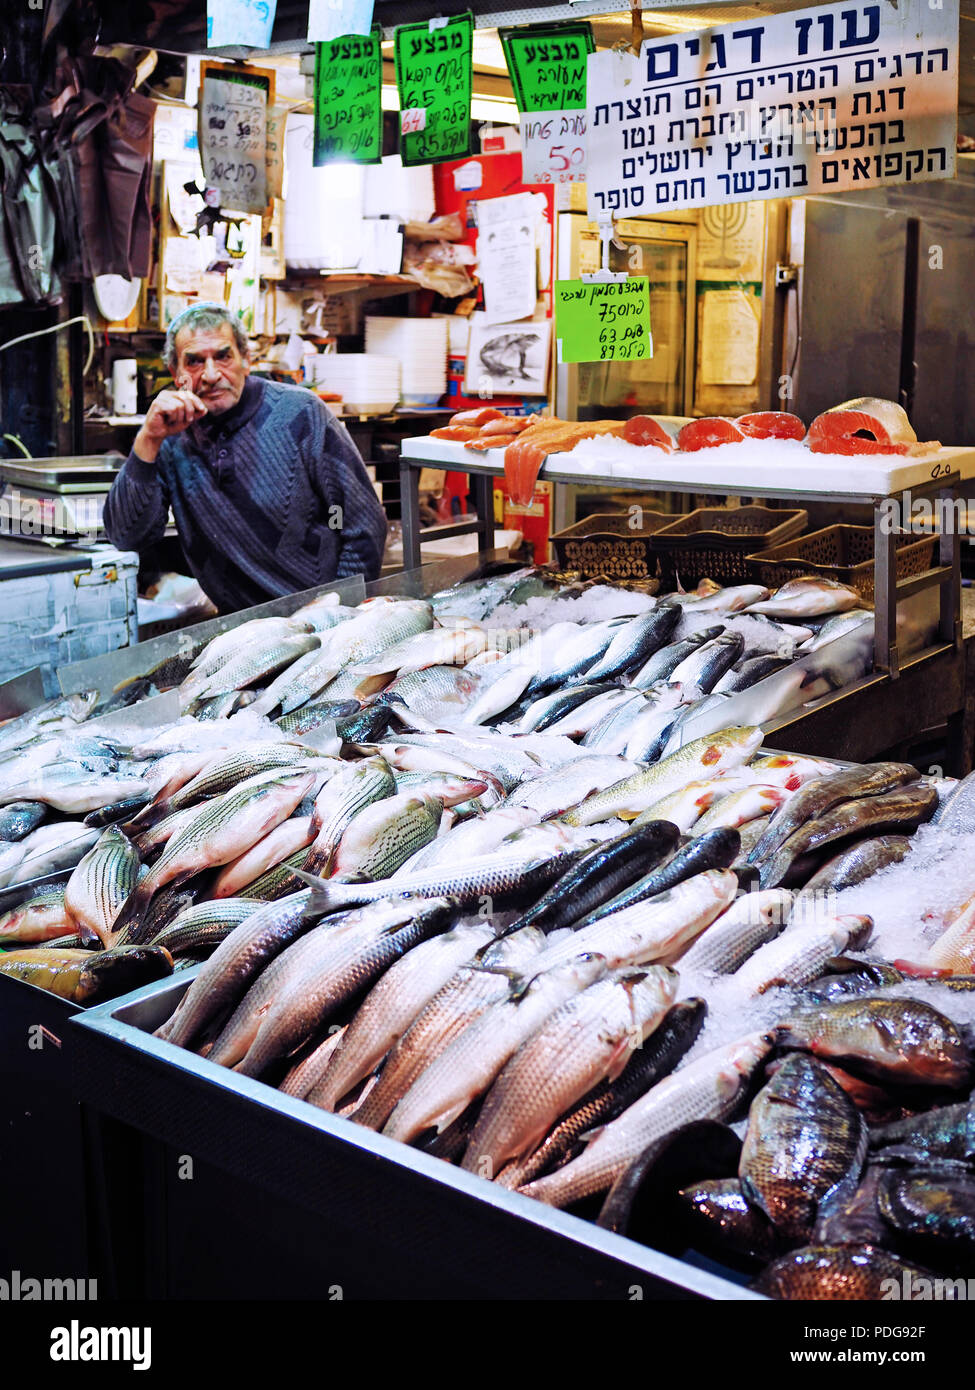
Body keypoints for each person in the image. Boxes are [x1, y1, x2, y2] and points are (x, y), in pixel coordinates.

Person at [103, 302, 388, 613]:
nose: (211, 375)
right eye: (195, 362)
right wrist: (148, 438)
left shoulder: (301, 414)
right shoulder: (171, 438)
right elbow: (126, 536)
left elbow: (361, 524)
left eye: (223, 356)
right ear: (176, 373)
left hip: (318, 625)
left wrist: (337, 614)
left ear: (246, 360)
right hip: (243, 630)